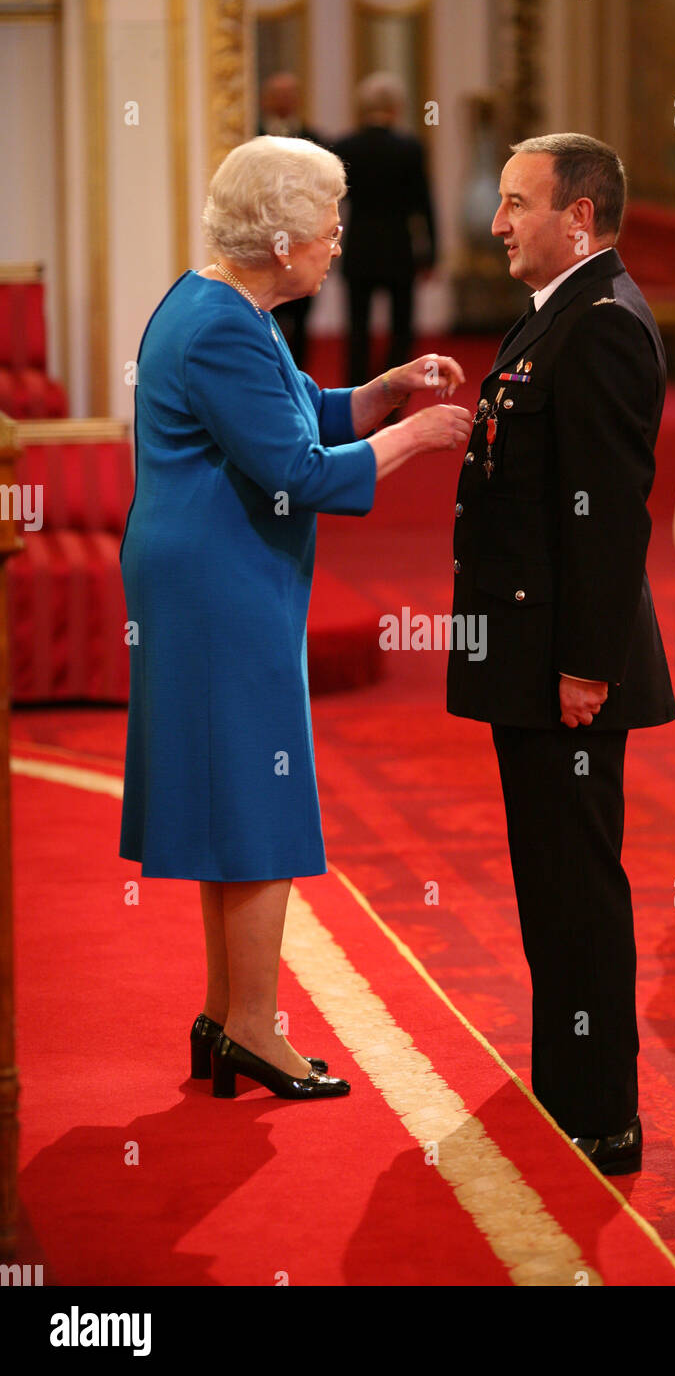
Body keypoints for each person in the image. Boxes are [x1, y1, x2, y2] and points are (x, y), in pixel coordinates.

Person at [119, 135, 470, 1103]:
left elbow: (292, 411)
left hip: (203, 573)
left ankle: (228, 1015)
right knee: (260, 800)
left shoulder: (219, 301)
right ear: (278, 239)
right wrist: (415, 434)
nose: (338, 244)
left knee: (229, 792)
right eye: (328, 229)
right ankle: (252, 1028)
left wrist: (379, 391)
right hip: (217, 583)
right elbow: (295, 470)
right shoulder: (226, 322)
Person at [446, 134, 675, 1175]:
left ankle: (600, 1112)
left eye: (514, 203)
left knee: (576, 886)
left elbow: (606, 520)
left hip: (566, 668)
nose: (496, 223)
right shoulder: (557, 317)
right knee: (546, 878)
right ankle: (561, 1082)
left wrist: (586, 665)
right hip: (533, 655)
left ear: (574, 216)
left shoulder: (601, 328)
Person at [333, 73, 437, 387]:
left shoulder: (346, 146)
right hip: (399, 247)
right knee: (402, 327)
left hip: (359, 245)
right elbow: (425, 204)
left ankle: (356, 390)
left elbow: (336, 202)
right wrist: (431, 252)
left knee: (357, 328)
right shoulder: (410, 147)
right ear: (396, 107)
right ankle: (394, 390)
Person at [258, 73, 325, 369]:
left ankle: (298, 379)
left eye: (290, 94)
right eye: (277, 94)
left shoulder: (317, 141)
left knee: (301, 319)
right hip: (263, 243)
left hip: (302, 243)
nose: (284, 101)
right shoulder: (250, 137)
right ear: (265, 100)